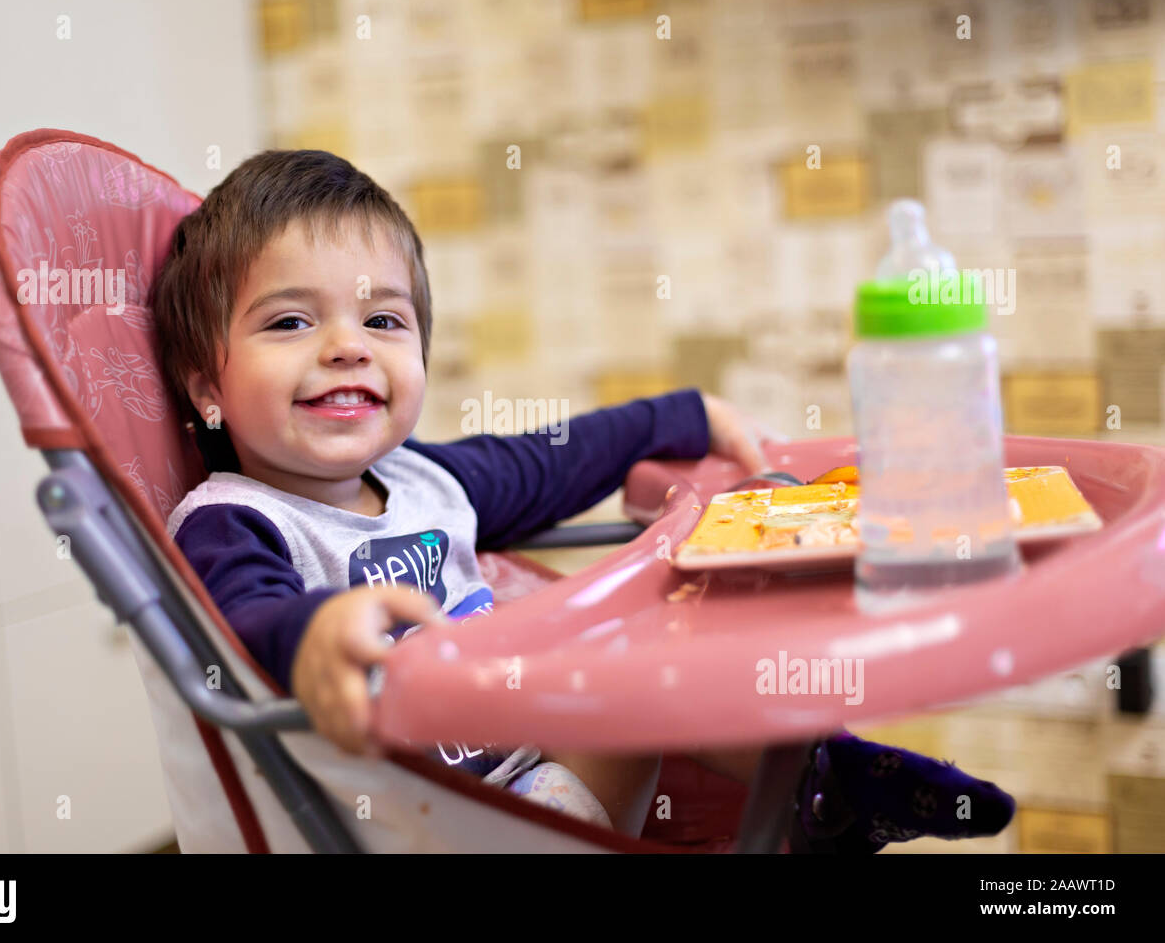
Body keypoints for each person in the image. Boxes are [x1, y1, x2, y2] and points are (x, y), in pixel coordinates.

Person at [151, 149, 1014, 849]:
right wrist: (313, 636)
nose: (348, 347)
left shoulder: (425, 481)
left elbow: (552, 460)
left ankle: (825, 780)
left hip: (544, 769)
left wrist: (679, 415)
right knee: (615, 683)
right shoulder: (233, 521)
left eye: (383, 321)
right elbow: (240, 623)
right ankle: (811, 785)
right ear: (207, 390)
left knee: (650, 655)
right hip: (415, 824)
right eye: (291, 322)